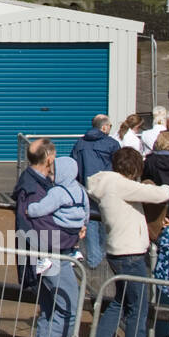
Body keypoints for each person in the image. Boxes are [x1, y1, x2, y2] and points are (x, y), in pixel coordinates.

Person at [87, 147, 169, 337]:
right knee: (139, 308)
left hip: (117, 251)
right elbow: (161, 194)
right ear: (134, 168)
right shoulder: (121, 185)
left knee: (120, 302)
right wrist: (168, 184)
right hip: (131, 254)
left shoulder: (107, 184)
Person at [12, 156, 89, 337]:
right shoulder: (77, 191)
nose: (51, 174)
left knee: (51, 310)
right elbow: (84, 211)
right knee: (69, 312)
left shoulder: (51, 191)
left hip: (51, 253)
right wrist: (78, 228)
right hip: (56, 254)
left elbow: (36, 212)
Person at [72, 114, 119, 269]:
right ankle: (105, 254)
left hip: (86, 188)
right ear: (104, 127)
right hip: (107, 189)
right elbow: (118, 165)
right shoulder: (112, 144)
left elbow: (74, 164)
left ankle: (93, 258)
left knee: (91, 220)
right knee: (107, 219)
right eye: (110, 126)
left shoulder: (80, 143)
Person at [13, 138, 56, 290]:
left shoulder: (36, 181)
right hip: (41, 258)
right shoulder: (32, 189)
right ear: (49, 159)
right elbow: (30, 226)